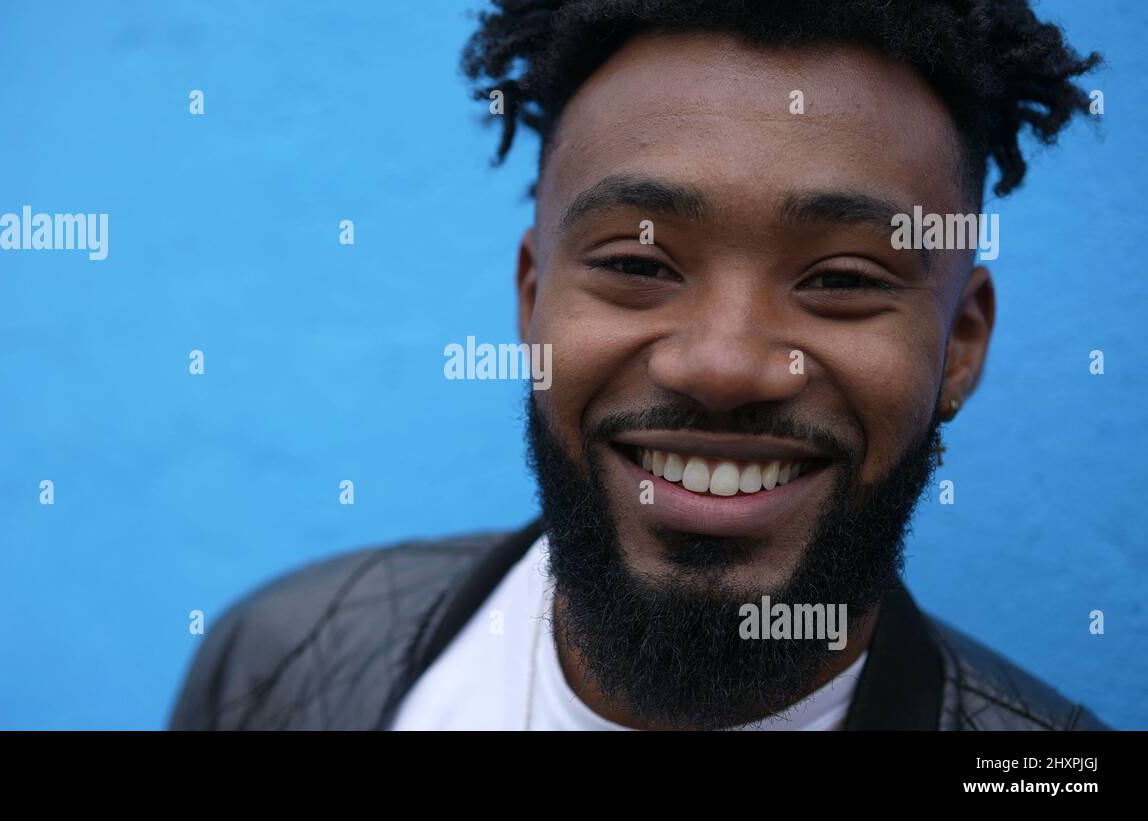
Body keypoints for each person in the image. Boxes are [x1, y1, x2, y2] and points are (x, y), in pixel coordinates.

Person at [172, 0, 1108, 731]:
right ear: (532, 297)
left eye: (841, 278)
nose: (725, 364)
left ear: (962, 344)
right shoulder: (283, 658)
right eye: (636, 264)